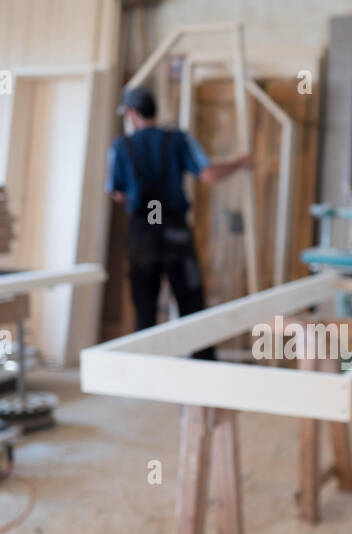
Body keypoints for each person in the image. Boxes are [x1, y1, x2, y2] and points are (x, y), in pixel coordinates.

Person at [106, 86, 251, 358]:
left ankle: (146, 373)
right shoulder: (178, 140)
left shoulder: (121, 147)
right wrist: (240, 163)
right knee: (192, 307)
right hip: (174, 231)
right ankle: (203, 372)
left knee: (145, 310)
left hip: (143, 233)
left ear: (133, 113)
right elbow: (208, 175)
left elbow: (118, 193)